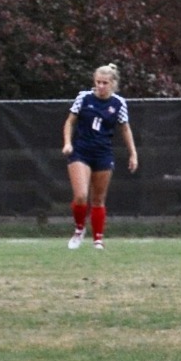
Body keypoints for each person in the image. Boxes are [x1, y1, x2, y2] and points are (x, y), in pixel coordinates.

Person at [62, 63, 139, 250]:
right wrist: (67, 142)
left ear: (113, 83)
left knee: (98, 198)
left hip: (103, 153)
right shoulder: (84, 98)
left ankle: (98, 239)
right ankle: (79, 230)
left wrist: (133, 154)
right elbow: (69, 122)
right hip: (81, 151)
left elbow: (125, 128)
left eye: (105, 83)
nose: (101, 86)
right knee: (81, 195)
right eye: (98, 82)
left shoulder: (118, 103)